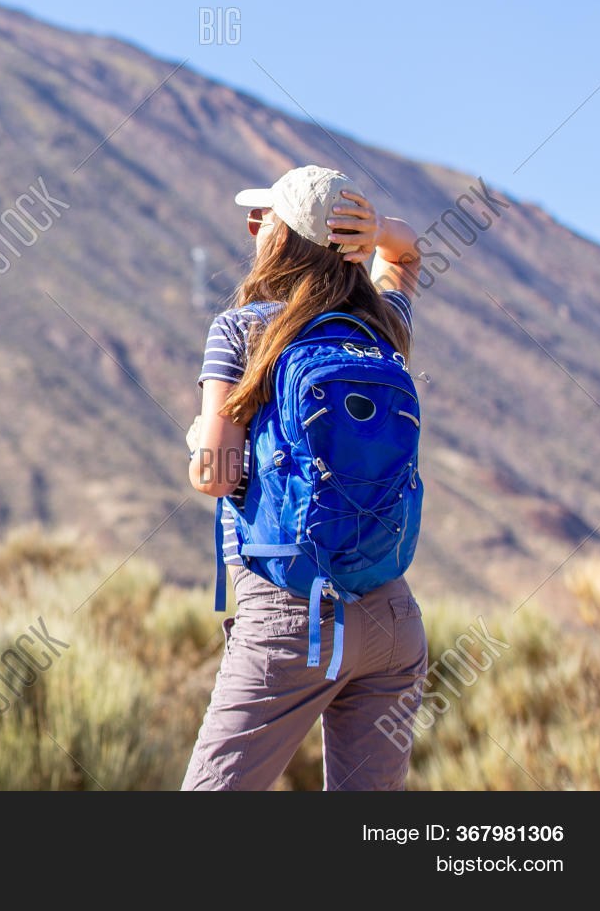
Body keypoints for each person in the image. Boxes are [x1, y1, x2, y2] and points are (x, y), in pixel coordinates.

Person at [180, 164, 427, 791]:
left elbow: (214, 474)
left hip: (291, 618)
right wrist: (378, 233)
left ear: (284, 238)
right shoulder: (382, 329)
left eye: (266, 217)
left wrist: (197, 439)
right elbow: (407, 256)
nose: (253, 226)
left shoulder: (243, 329)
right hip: (391, 620)